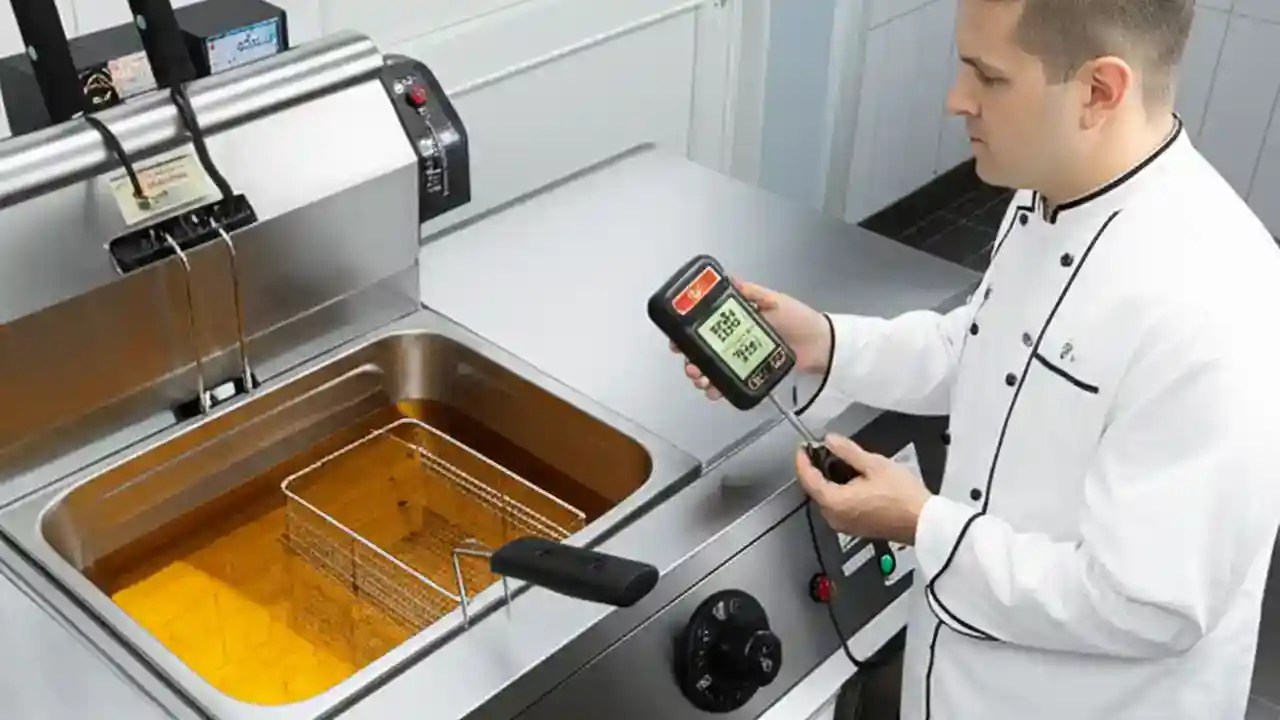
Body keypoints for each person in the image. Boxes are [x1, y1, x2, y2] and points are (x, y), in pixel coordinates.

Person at [675, 1, 1280, 718]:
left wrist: (921, 524)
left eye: (987, 77)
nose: (955, 100)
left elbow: (1149, 606)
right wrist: (829, 345)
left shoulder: (1217, 307)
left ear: (1098, 92)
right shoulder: (1051, 188)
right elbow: (990, 346)